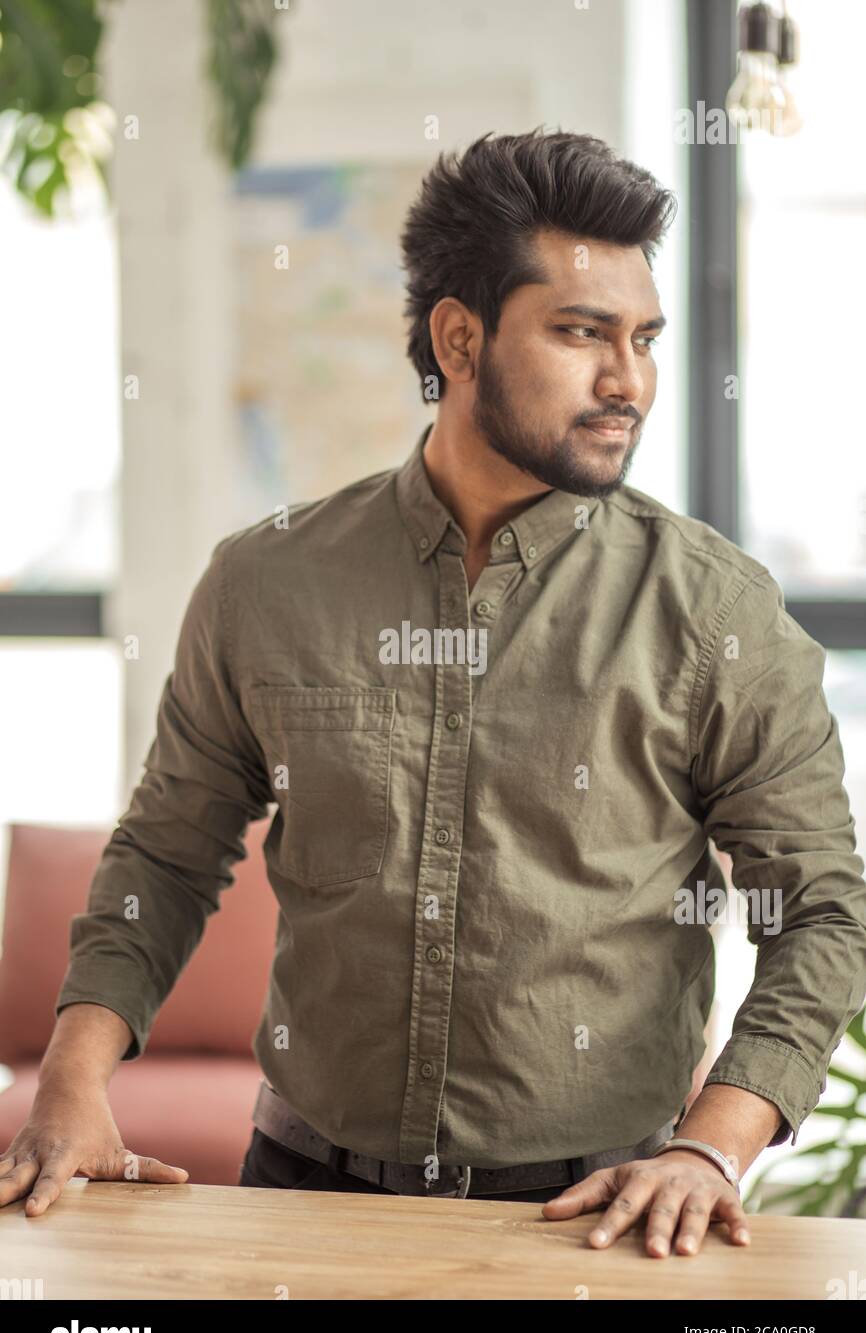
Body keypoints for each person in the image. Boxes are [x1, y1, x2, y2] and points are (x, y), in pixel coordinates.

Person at [3, 129, 865, 1262]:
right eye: (579, 333)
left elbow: (819, 911)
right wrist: (68, 1078)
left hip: (595, 1226)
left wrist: (710, 1146)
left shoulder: (714, 611)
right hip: (300, 1201)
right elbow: (166, 853)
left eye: (642, 339)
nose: (628, 381)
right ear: (458, 339)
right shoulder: (266, 582)